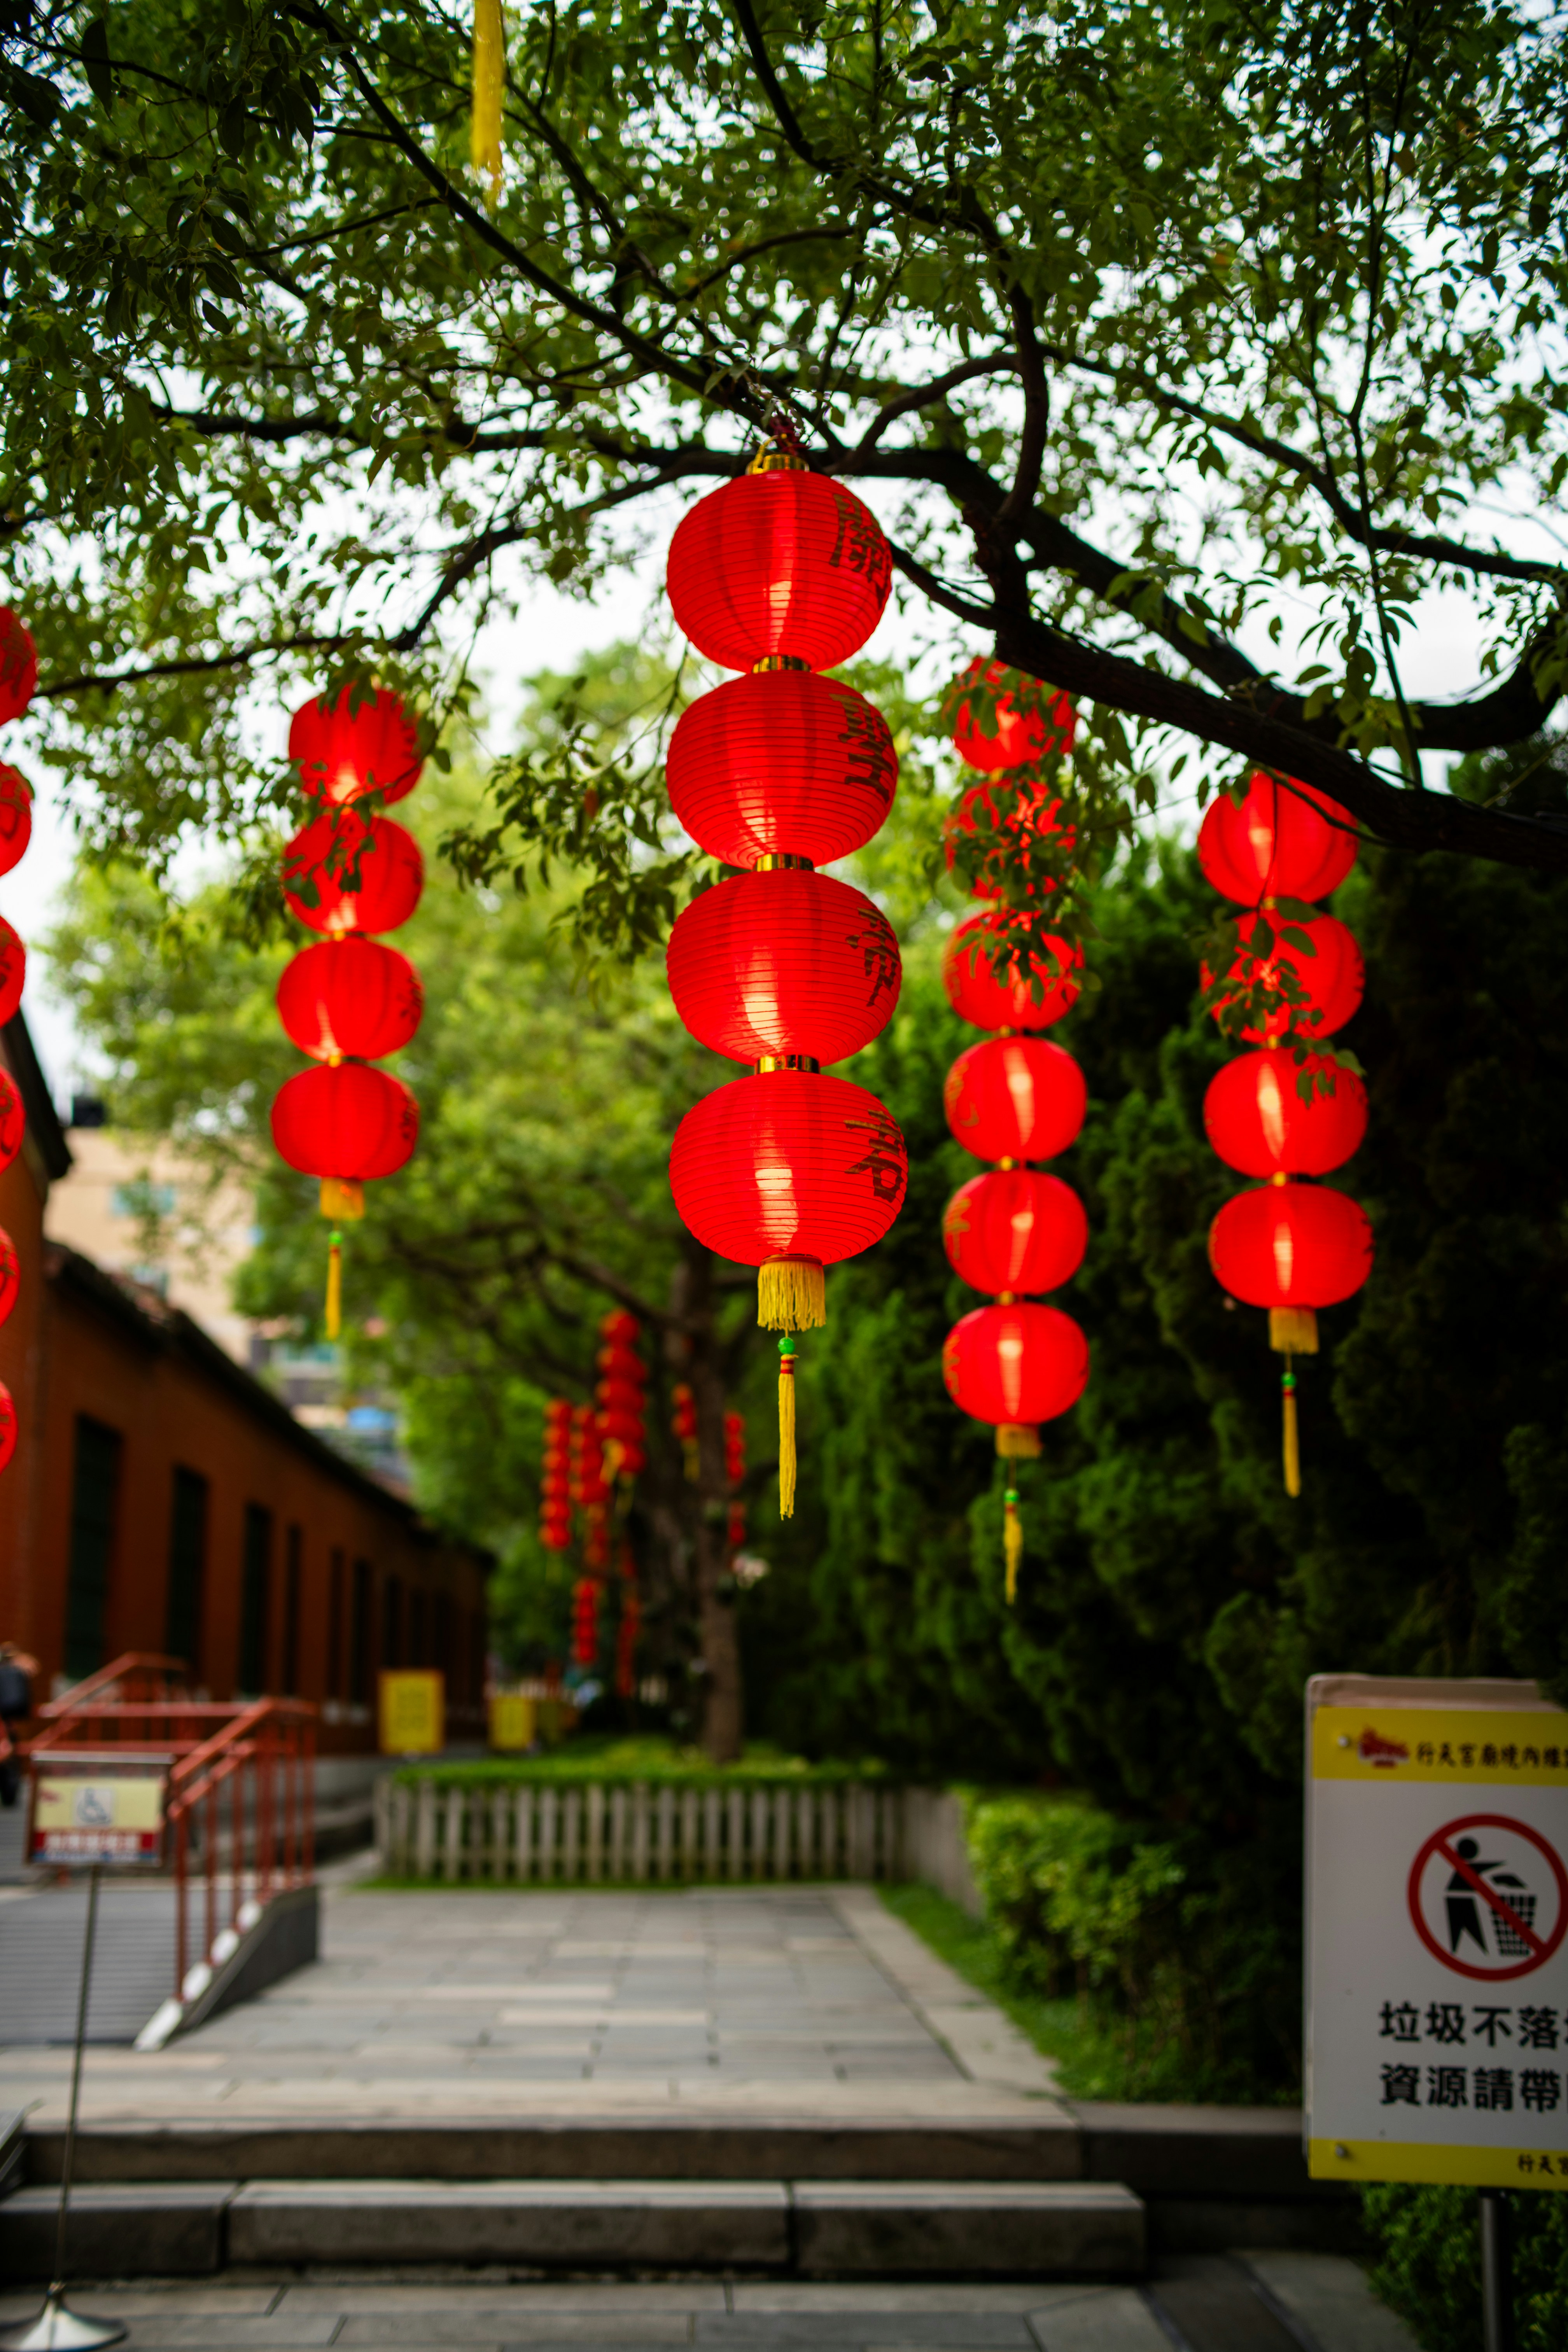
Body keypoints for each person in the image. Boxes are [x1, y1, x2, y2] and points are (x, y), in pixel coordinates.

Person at [0, 1642, 37, 1808]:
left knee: (9, 1757)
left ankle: (10, 1792)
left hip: (6, 1725)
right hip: (6, 1725)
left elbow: (33, 1667)